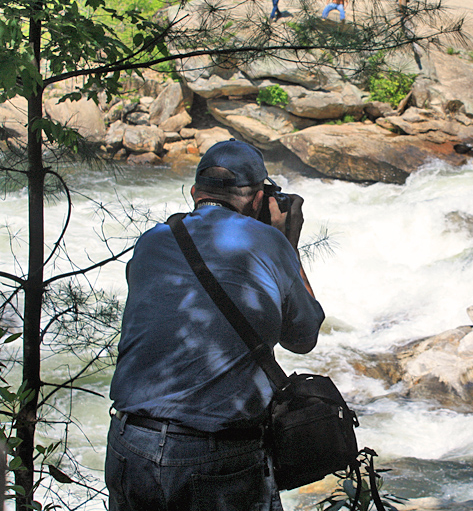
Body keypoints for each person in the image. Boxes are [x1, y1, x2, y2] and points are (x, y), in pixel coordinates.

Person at [104, 139, 325, 511]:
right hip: (217, 455)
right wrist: (290, 245)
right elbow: (303, 338)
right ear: (258, 200)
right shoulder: (270, 243)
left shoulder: (150, 241)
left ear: (194, 193)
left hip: (131, 442)